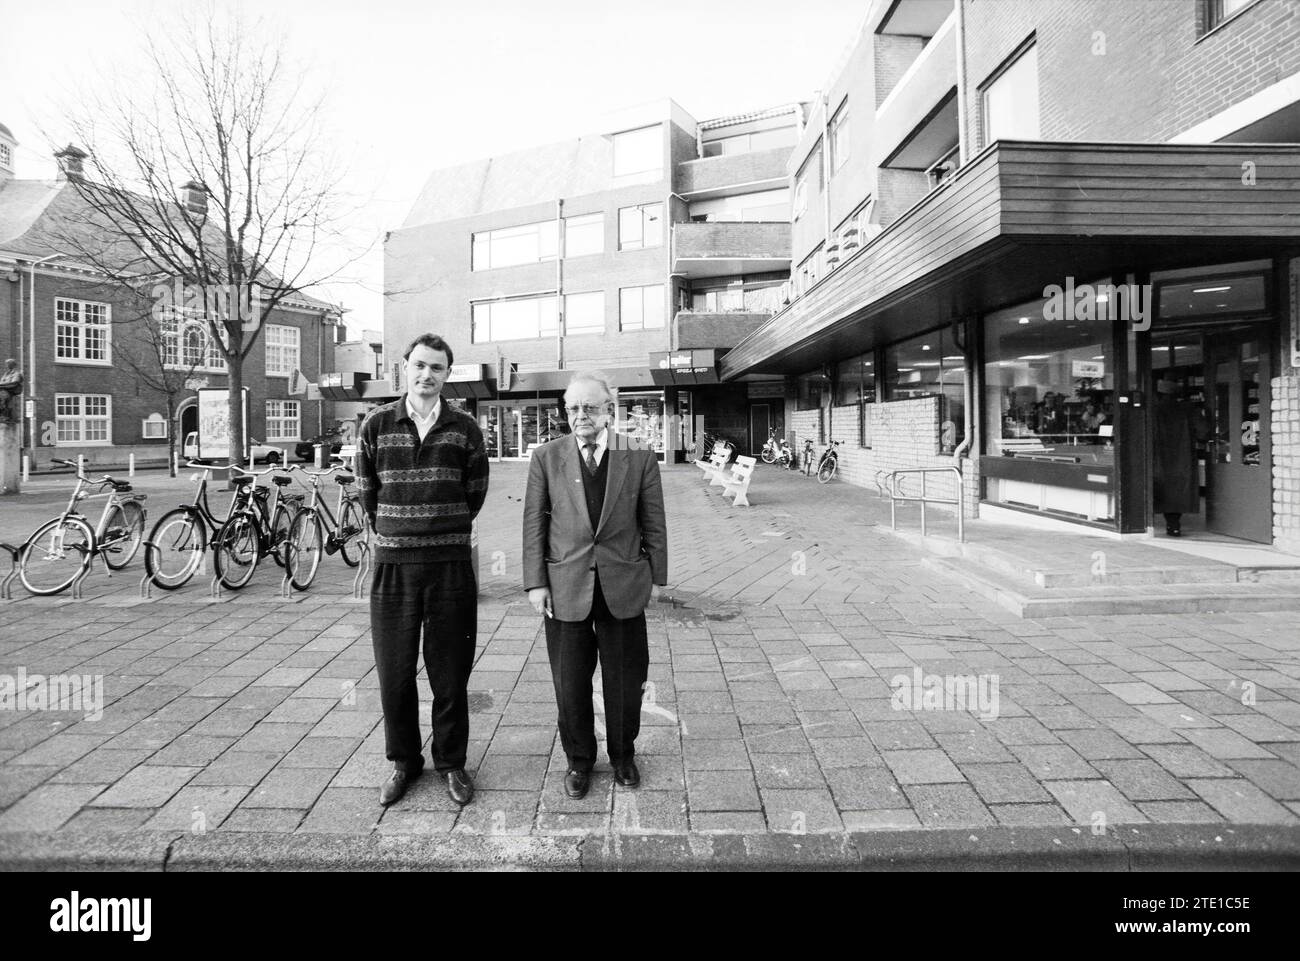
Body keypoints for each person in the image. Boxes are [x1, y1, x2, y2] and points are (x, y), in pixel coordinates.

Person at [355, 333, 489, 807]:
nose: (426, 375)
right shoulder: (375, 426)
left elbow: (475, 492)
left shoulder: (465, 429)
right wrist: (395, 530)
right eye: (419, 365)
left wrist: (442, 528)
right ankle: (405, 762)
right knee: (394, 671)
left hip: (450, 565)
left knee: (449, 671)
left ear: (447, 374)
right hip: (394, 565)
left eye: (436, 368)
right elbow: (367, 489)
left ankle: (451, 763)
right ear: (404, 368)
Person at [522, 372, 668, 799]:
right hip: (565, 585)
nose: (580, 416)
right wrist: (535, 583)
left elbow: (653, 521)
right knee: (570, 682)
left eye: (589, 407)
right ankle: (579, 761)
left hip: (623, 584)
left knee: (625, 680)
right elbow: (534, 523)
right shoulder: (547, 457)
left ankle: (624, 755)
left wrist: (655, 578)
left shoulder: (637, 453)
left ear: (609, 409)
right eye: (572, 408)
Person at [1152, 377, 1208, 537]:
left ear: (1159, 393)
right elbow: (1203, 432)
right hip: (1183, 457)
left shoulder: (1153, 409)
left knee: (1160, 490)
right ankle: (1174, 524)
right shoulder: (1189, 409)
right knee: (1178, 490)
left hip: (1158, 457)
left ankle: (1153, 523)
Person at [0, 359, 22, 424]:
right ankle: (2, 415)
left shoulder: (17, 374)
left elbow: (13, 384)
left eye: (8, 364)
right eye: (6, 364)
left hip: (10, 392)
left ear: (13, 365)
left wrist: (1, 386)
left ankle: (5, 415)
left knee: (2, 396)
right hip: (3, 390)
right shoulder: (5, 374)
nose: (6, 365)